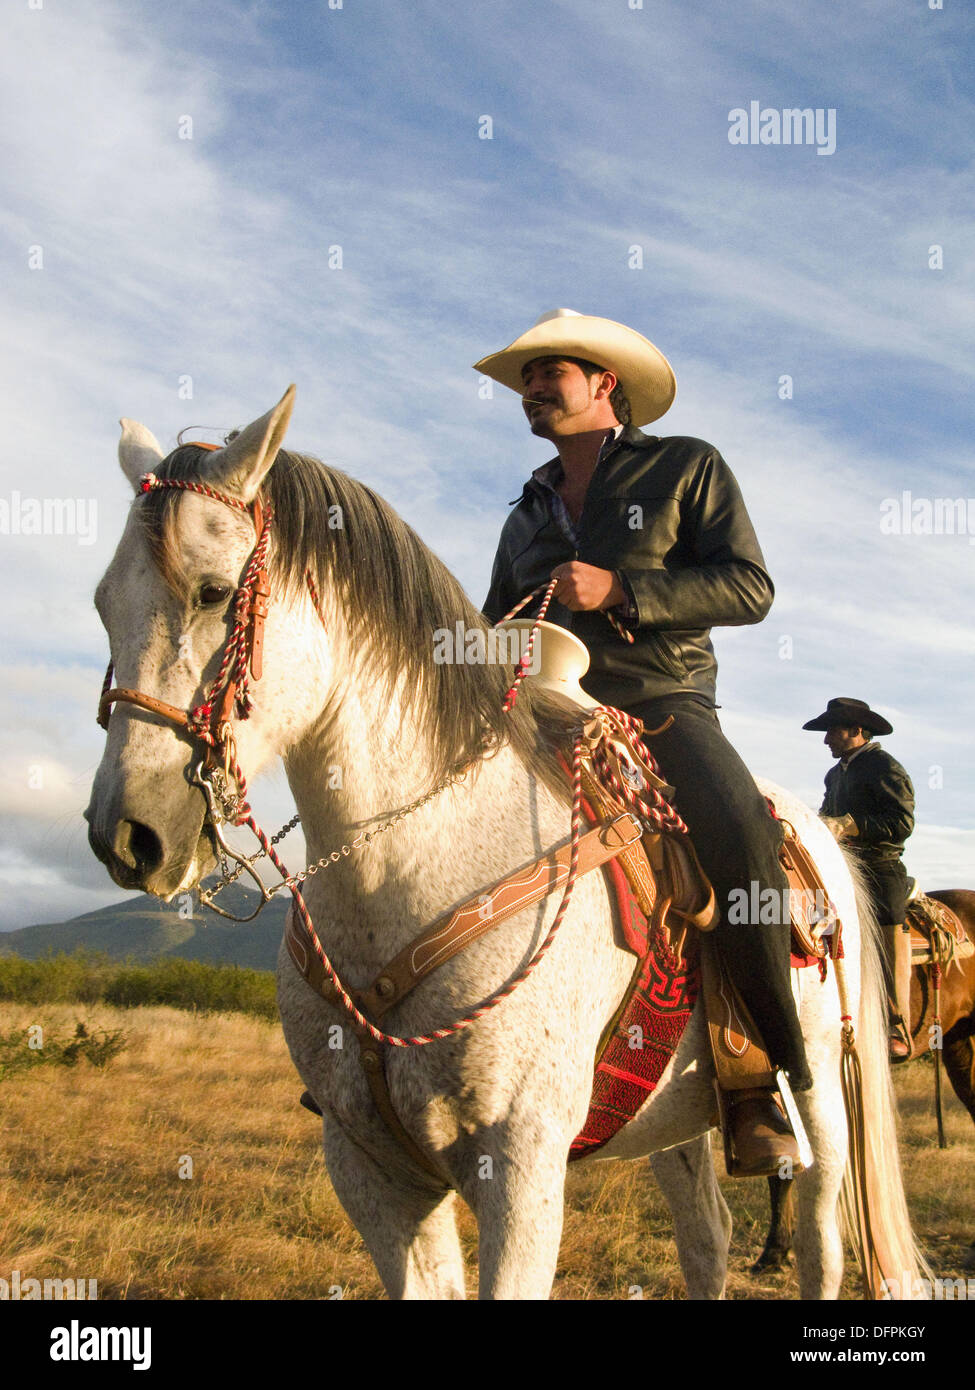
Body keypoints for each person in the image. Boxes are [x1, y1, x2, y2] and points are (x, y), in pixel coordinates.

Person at [477, 308, 811, 1176]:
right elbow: (490, 624)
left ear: (604, 383)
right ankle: (385, 1041)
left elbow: (749, 587)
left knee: (737, 834)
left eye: (550, 373)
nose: (532, 390)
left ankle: (757, 1080)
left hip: (661, 704)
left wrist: (620, 590)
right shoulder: (524, 513)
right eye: (525, 379)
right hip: (543, 709)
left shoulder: (685, 464)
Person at [802, 697, 916, 1059]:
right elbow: (827, 814)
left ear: (857, 731)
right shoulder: (834, 775)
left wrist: (851, 825)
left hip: (879, 867)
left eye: (832, 731)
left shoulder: (884, 766)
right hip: (844, 864)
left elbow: (902, 824)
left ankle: (893, 1021)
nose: (826, 741)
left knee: (885, 927)